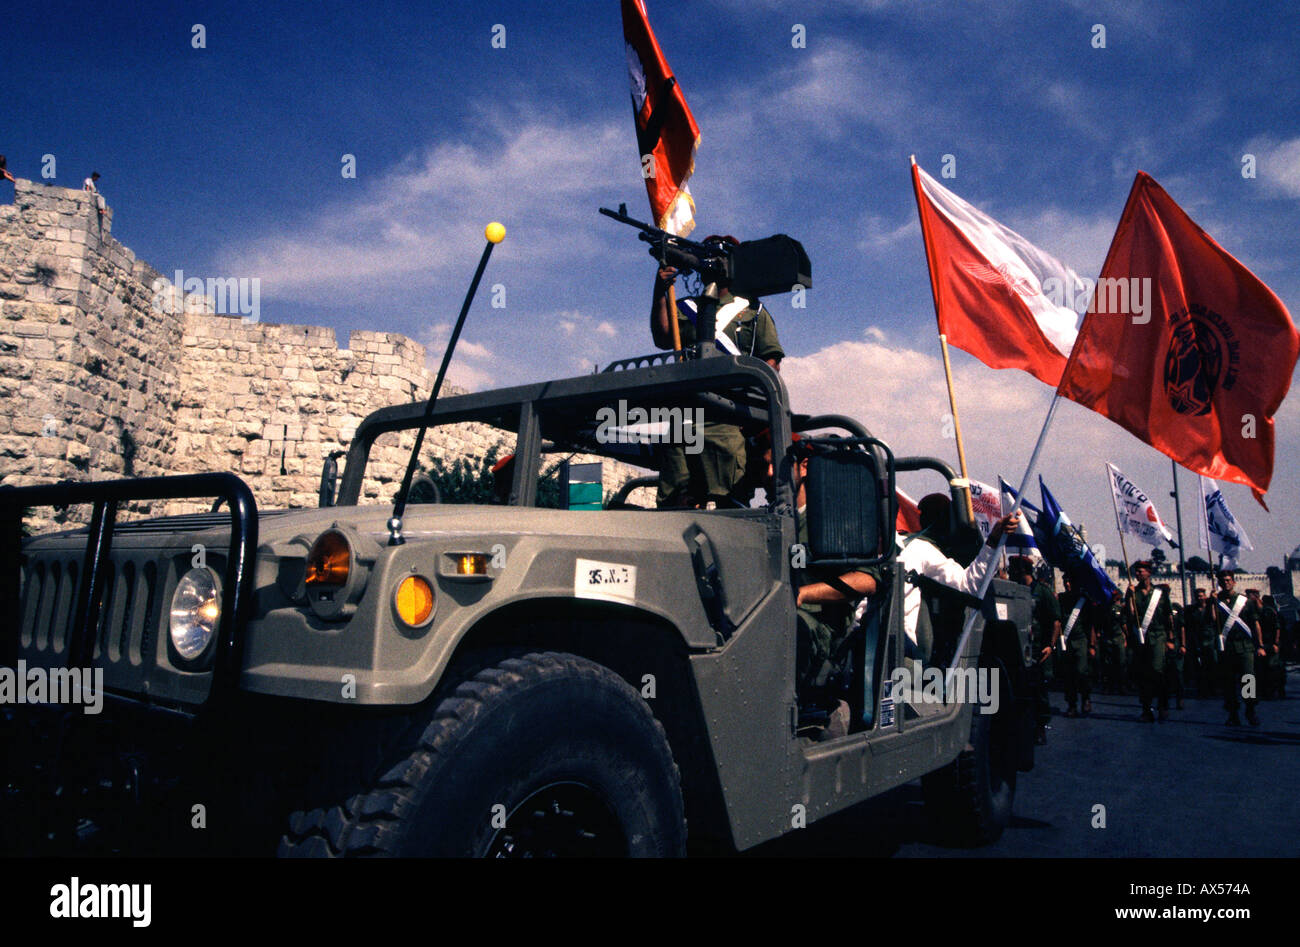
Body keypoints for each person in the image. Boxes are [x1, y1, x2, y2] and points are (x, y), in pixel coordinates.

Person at [650, 244, 784, 508]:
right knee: (677, 500)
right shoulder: (689, 307)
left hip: (727, 416)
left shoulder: (752, 311)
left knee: (724, 500)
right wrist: (660, 290)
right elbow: (663, 336)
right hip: (684, 415)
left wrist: (753, 406)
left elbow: (771, 362)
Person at [1010, 556, 1057, 745]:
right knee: (1021, 689)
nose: (1011, 571)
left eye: (1014, 568)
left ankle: (1040, 727)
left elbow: (1055, 620)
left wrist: (1050, 645)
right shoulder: (1014, 590)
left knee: (1039, 691)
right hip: (1019, 647)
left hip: (1038, 648)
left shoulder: (1043, 591)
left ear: (1023, 570)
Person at [1126, 560, 1174, 722]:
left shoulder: (1160, 594)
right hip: (1142, 638)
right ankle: (1146, 708)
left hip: (1159, 635)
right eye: (1136, 571)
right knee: (1143, 674)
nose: (1138, 574)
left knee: (1157, 670)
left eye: (1141, 571)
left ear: (1149, 573)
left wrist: (1171, 639)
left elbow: (1168, 617)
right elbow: (1131, 616)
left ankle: (1162, 704)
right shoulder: (1134, 593)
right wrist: (1129, 597)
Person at [1216, 570, 1264, 726]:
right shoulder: (1217, 601)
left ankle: (1250, 709)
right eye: (1223, 581)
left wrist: (1260, 645)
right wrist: (1212, 602)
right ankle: (1232, 713)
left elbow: (1255, 623)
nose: (1226, 583)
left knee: (1248, 679)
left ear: (1234, 582)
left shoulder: (1245, 601)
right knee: (1228, 682)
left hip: (1245, 646)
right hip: (1227, 647)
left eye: (1229, 580)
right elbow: (1213, 620)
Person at [1056, 573, 1096, 717]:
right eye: (1065, 581)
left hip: (1081, 640)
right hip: (1066, 641)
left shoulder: (1084, 601)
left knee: (1081, 671)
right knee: (1068, 674)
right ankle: (1071, 704)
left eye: (1070, 581)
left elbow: (1091, 625)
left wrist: (1092, 646)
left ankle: (1085, 697)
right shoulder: (1060, 598)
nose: (1067, 584)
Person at [1165, 589, 1187, 710]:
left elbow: (1182, 627)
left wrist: (1183, 645)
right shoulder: (1156, 609)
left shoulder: (1176, 607)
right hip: (1164, 644)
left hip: (1177, 644)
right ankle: (1165, 700)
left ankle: (1180, 698)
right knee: (1164, 674)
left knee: (1178, 673)